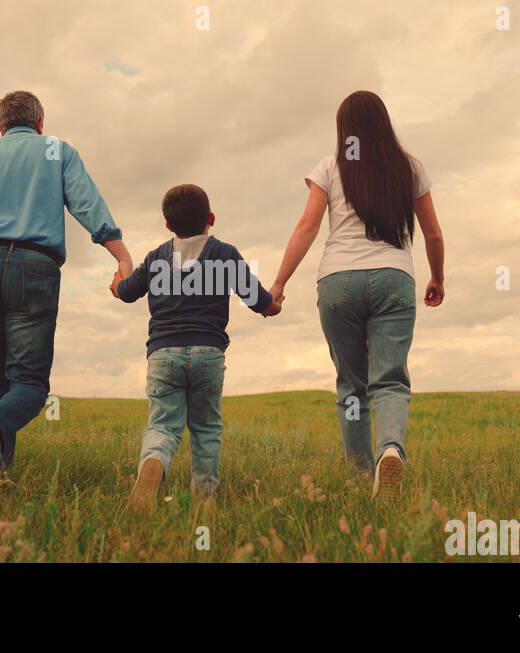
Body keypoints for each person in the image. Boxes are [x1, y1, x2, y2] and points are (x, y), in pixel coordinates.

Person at [0, 90, 133, 487]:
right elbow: (89, 206)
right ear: (39, 124)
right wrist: (120, 256)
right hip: (35, 267)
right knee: (30, 386)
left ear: (0, 126)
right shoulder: (57, 151)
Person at [269, 91, 445, 502]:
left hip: (338, 284)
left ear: (344, 129)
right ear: (383, 122)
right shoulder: (409, 167)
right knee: (390, 379)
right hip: (393, 279)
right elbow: (433, 233)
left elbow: (307, 228)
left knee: (352, 385)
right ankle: (390, 450)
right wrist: (437, 276)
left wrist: (278, 284)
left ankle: (359, 474)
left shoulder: (329, 168)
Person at [111, 184, 281, 513]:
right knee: (205, 429)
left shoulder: (157, 257)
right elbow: (260, 302)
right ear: (211, 218)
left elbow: (128, 291)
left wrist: (116, 284)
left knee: (162, 425)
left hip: (163, 355)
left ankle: (155, 461)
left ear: (168, 226)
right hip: (208, 353)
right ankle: (204, 502)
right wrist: (273, 304)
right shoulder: (225, 254)